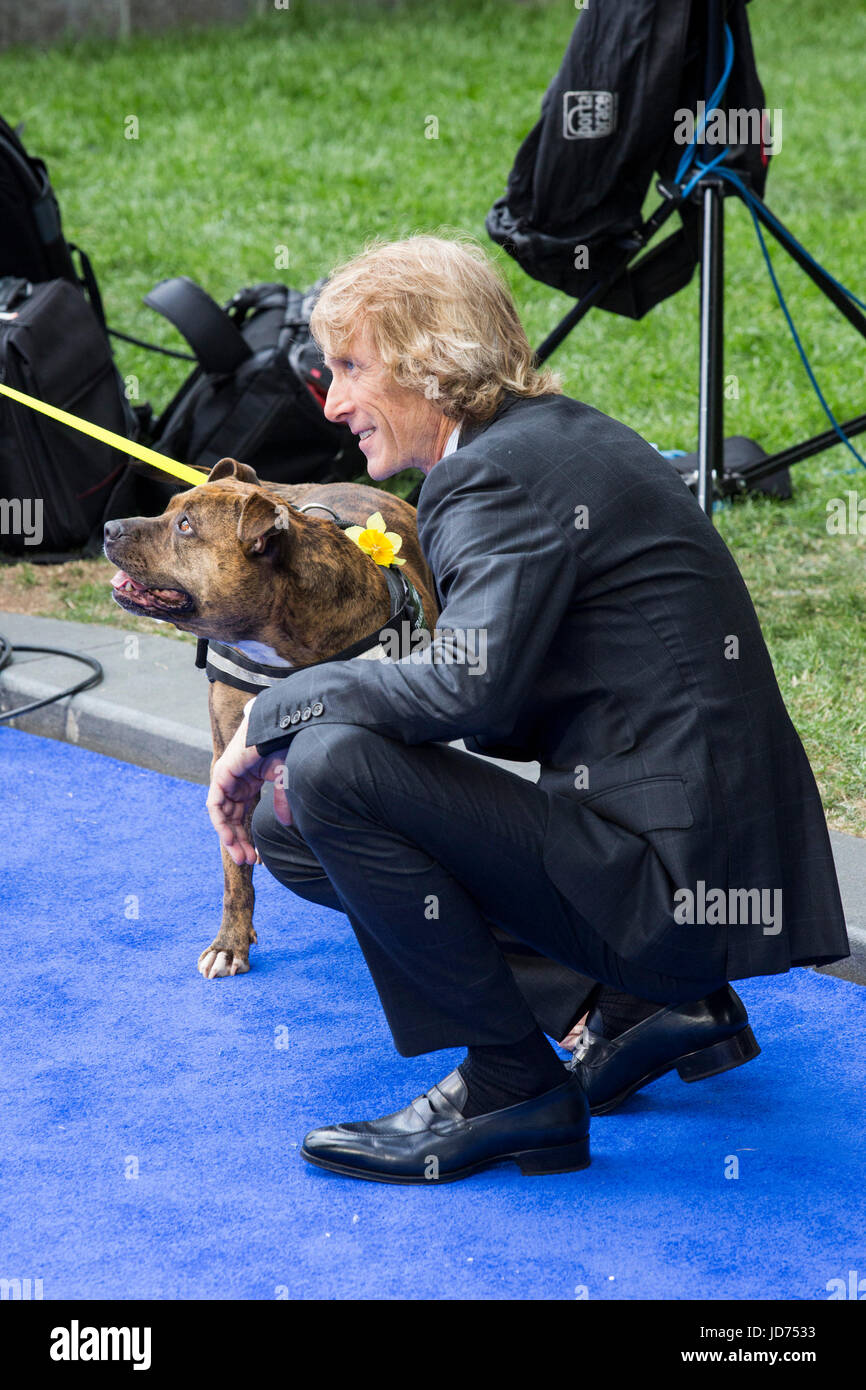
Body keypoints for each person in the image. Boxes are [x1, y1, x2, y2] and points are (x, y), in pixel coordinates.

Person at [206, 234, 849, 1185]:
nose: (332, 402)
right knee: (300, 800)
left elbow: (468, 693)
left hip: (671, 891)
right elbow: (489, 692)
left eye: (350, 368)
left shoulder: (488, 478)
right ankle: (634, 1005)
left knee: (330, 771)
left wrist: (272, 714)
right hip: (707, 864)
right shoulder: (554, 439)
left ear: (431, 363)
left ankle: (514, 1085)